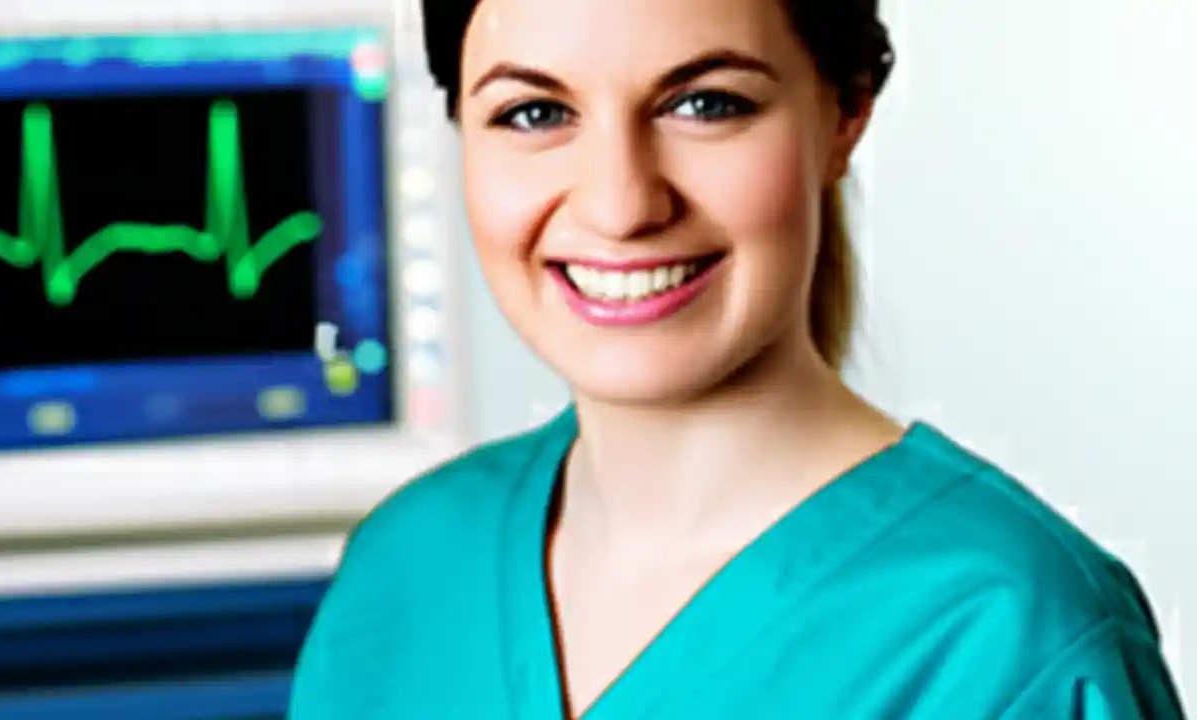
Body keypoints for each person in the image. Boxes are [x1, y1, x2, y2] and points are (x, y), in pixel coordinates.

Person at [289, 0, 1188, 716]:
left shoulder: (1011, 637)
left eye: (705, 104)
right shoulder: (405, 568)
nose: (621, 204)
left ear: (845, 112)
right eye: (534, 112)